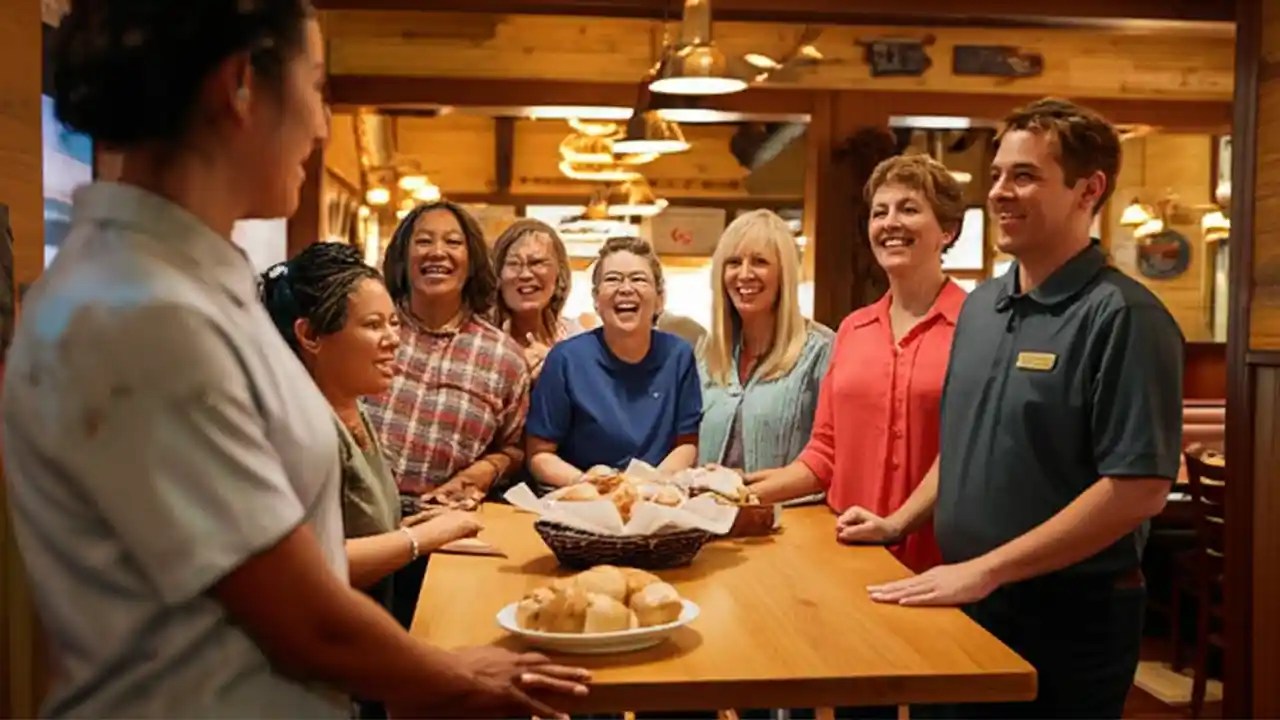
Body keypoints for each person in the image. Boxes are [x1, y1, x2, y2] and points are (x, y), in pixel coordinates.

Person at [0, 1, 587, 717]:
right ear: (241, 86)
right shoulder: (144, 311)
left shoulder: (184, 284)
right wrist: (461, 677)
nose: (320, 124)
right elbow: (301, 618)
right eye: (314, 86)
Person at [845, 98, 1183, 719]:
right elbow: (967, 441)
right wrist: (901, 522)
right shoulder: (982, 306)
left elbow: (1138, 490)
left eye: (1025, 176)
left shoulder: (1126, 317)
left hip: (1067, 616)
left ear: (1090, 190)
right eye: (997, 174)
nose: (1000, 191)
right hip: (966, 597)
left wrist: (988, 570)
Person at [748, 155, 968, 573]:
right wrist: (735, 491)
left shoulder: (978, 327)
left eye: (909, 209)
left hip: (939, 564)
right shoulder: (853, 329)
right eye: (879, 212)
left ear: (948, 231)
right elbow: (824, 453)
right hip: (845, 553)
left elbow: (968, 454)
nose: (890, 223)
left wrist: (898, 523)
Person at [258, 241, 482, 620]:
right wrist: (424, 537)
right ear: (310, 335)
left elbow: (357, 525)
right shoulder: (295, 428)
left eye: (394, 323)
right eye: (373, 325)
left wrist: (417, 519)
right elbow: (306, 570)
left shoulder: (353, 406)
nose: (394, 339)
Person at [364, 200, 529, 625]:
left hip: (443, 538)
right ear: (402, 258)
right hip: (356, 527)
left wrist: (486, 469)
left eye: (453, 242)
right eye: (423, 241)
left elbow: (515, 447)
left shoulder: (503, 357)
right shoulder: (367, 330)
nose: (437, 252)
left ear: (472, 262)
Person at [526, 237, 701, 489]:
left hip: (659, 501)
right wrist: (585, 483)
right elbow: (540, 454)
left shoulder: (679, 355)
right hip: (583, 503)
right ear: (596, 299)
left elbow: (686, 444)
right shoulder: (565, 359)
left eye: (638, 279)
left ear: (660, 299)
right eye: (613, 279)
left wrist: (651, 486)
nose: (626, 288)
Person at [697, 209, 833, 476]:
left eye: (759, 262)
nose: (744, 274)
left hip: (792, 516)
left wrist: (746, 486)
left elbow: (833, 456)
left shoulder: (823, 350)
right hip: (709, 513)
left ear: (784, 274)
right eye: (734, 262)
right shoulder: (706, 352)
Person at [490, 218, 582, 382]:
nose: (525, 274)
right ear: (498, 276)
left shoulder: (576, 338)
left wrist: (557, 368)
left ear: (559, 274)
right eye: (514, 264)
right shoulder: (483, 341)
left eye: (537, 263)